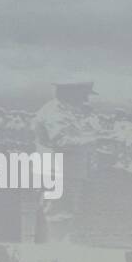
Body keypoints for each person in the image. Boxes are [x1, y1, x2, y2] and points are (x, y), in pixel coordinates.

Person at [32, 81, 99, 240]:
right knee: (58, 216)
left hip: (66, 170)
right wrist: (96, 140)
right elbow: (62, 142)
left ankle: (49, 248)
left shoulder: (67, 110)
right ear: (71, 92)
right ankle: (56, 250)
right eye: (84, 94)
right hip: (59, 170)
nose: (86, 99)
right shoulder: (55, 112)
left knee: (53, 214)